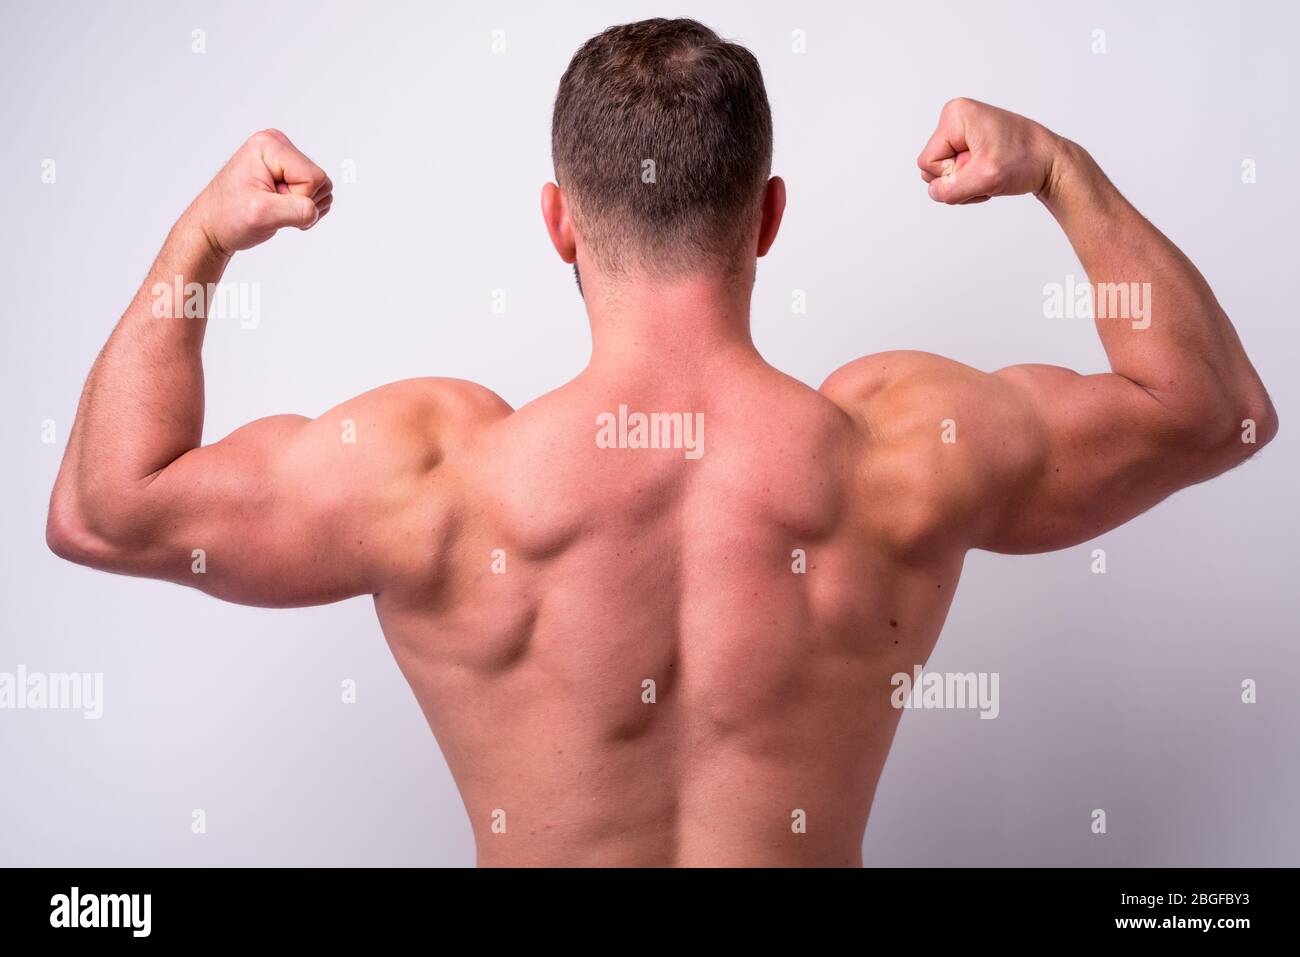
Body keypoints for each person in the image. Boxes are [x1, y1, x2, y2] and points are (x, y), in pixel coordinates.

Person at [46, 18, 1275, 866]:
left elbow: (104, 511)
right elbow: (1213, 411)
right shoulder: (903, 450)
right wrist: (1060, 170)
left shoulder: (434, 476)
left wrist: (200, 240)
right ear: (770, 215)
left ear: (557, 224)